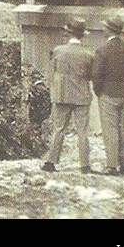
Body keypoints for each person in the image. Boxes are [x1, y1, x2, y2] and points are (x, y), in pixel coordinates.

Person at [41, 17, 96, 173]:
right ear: (82, 35)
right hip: (82, 95)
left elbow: (51, 73)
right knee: (82, 131)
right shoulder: (89, 54)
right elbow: (92, 76)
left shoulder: (58, 51)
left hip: (62, 95)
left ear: (68, 33)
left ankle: (50, 162)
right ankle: (85, 165)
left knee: (58, 128)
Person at [92, 15, 124, 175]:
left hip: (109, 94)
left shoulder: (102, 50)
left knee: (110, 130)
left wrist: (98, 91)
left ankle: (112, 165)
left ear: (109, 30)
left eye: (105, 27)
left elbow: (96, 75)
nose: (103, 29)